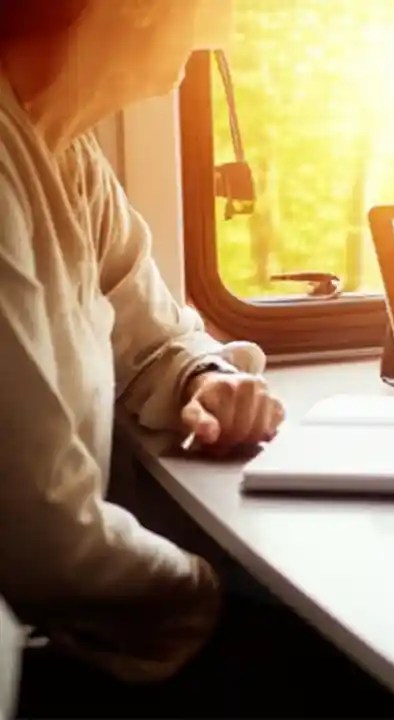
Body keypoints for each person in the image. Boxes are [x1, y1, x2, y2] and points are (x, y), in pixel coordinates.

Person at [0, 0, 287, 700]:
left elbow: (154, 332)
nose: (220, 25)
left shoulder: (64, 151)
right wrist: (212, 593)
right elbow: (45, 540)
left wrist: (202, 376)